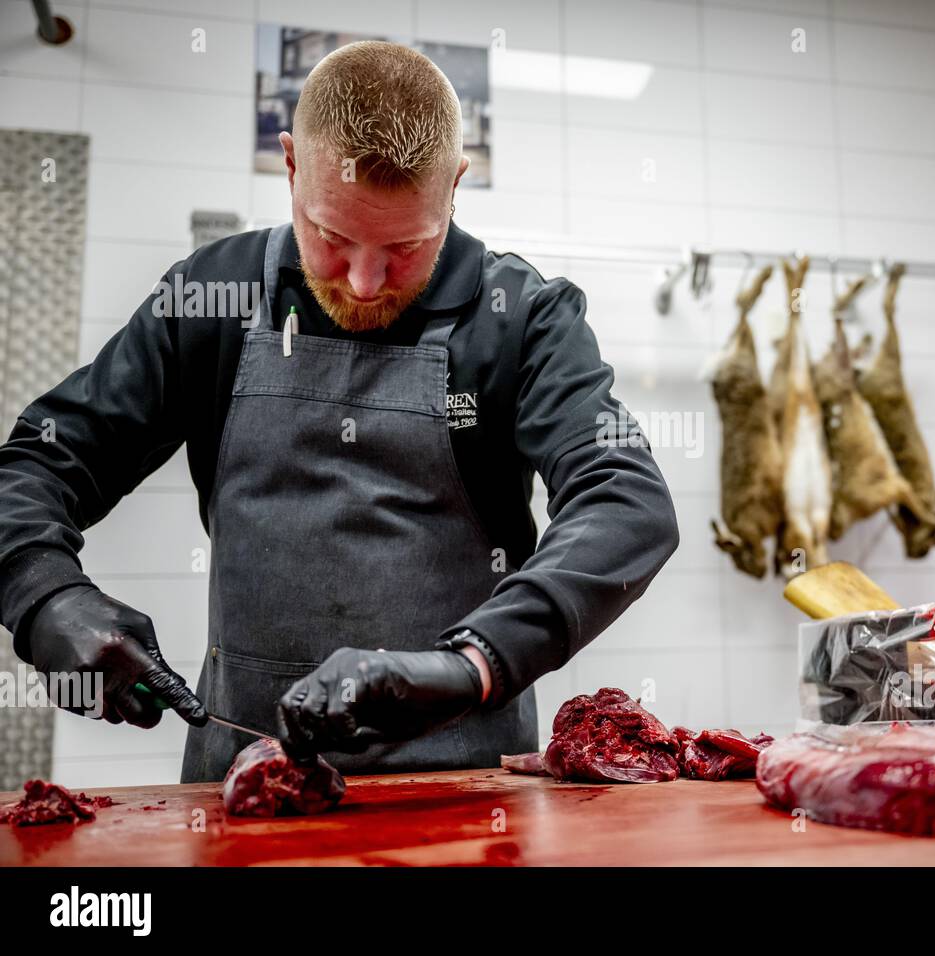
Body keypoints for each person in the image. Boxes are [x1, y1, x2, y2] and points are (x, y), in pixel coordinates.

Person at [0, 41, 679, 782]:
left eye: (405, 246)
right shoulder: (210, 298)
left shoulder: (522, 319)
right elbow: (35, 465)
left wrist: (473, 664)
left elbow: (627, 501)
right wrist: (45, 595)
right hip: (244, 792)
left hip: (469, 799)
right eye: (330, 235)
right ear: (290, 166)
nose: (362, 283)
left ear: (455, 184)